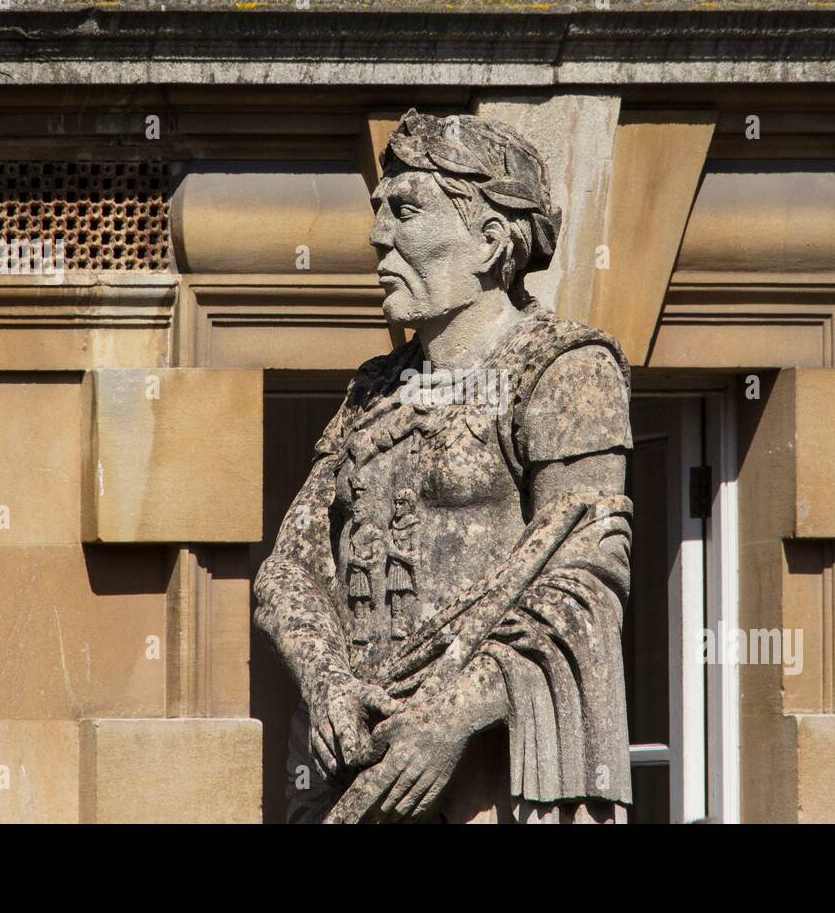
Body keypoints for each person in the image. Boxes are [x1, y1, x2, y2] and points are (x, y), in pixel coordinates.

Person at [254, 109, 634, 823]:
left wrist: (451, 716)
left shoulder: (564, 369)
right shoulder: (372, 388)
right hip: (358, 765)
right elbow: (287, 571)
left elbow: (585, 577)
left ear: (490, 241)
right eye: (378, 211)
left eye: (406, 210)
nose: (377, 236)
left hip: (491, 772)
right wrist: (329, 681)